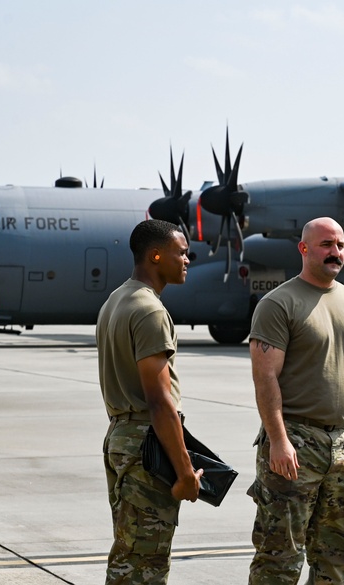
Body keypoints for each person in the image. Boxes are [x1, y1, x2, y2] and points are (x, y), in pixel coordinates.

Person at [247, 216, 344, 584]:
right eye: (326, 244)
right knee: (279, 555)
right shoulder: (278, 304)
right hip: (295, 442)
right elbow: (265, 378)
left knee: (341, 554)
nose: (335, 252)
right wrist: (278, 440)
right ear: (304, 248)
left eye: (340, 245)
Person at [97, 219, 202, 584]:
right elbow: (160, 403)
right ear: (155, 255)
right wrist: (186, 471)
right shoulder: (151, 312)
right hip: (146, 444)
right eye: (182, 252)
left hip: (121, 437)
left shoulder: (116, 300)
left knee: (129, 554)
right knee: (146, 562)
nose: (188, 259)